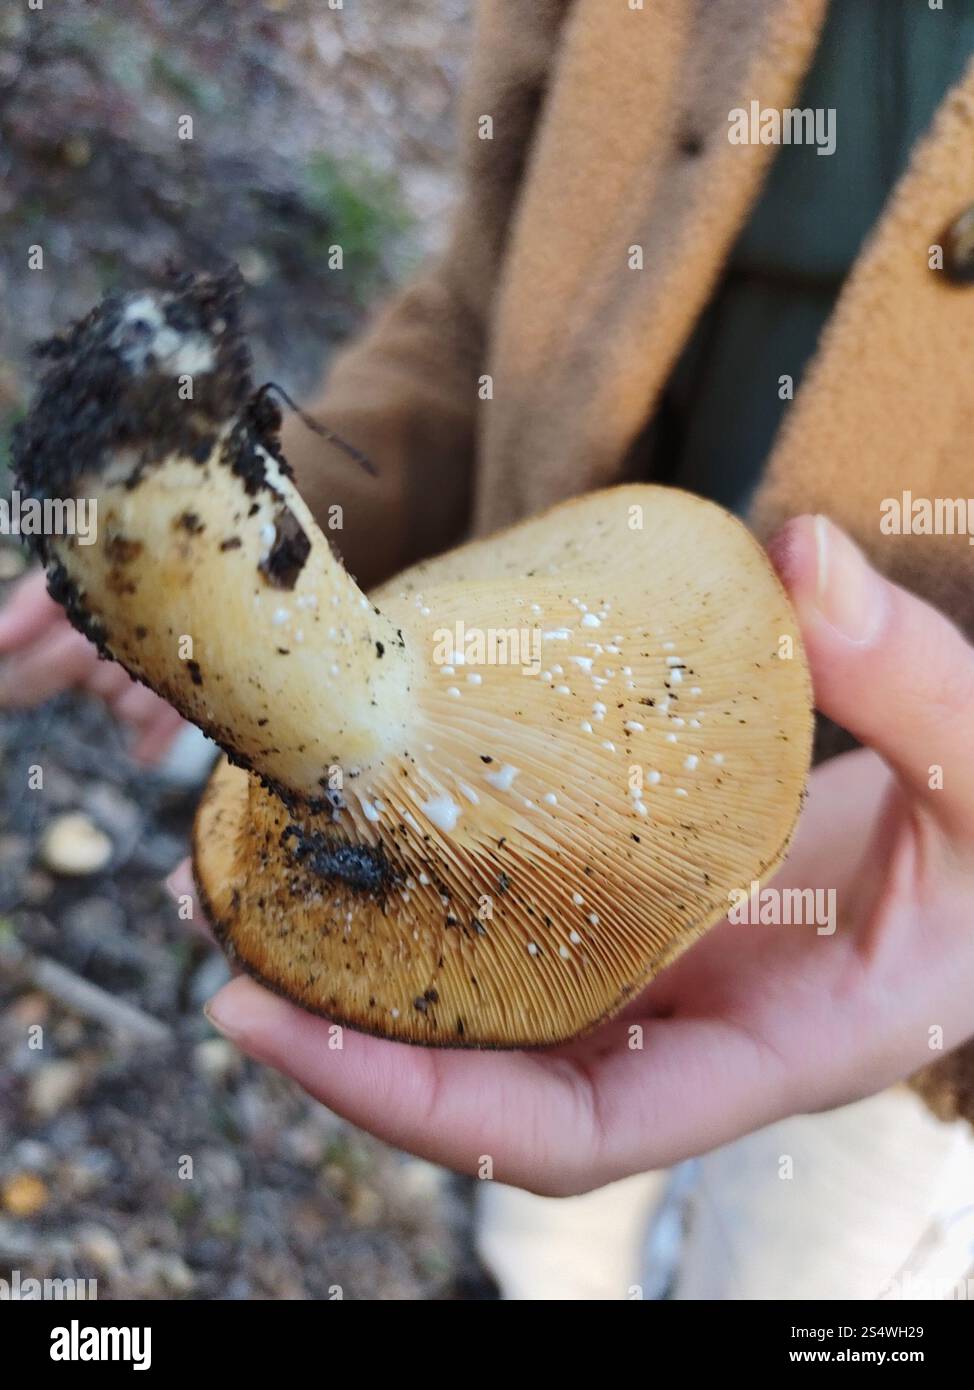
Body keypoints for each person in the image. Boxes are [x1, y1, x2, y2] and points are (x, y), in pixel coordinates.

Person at [4, 0, 974, 1297]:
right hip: (517, 775)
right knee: (542, 1212)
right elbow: (483, 301)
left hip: (918, 902)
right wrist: (267, 537)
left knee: (808, 1267)